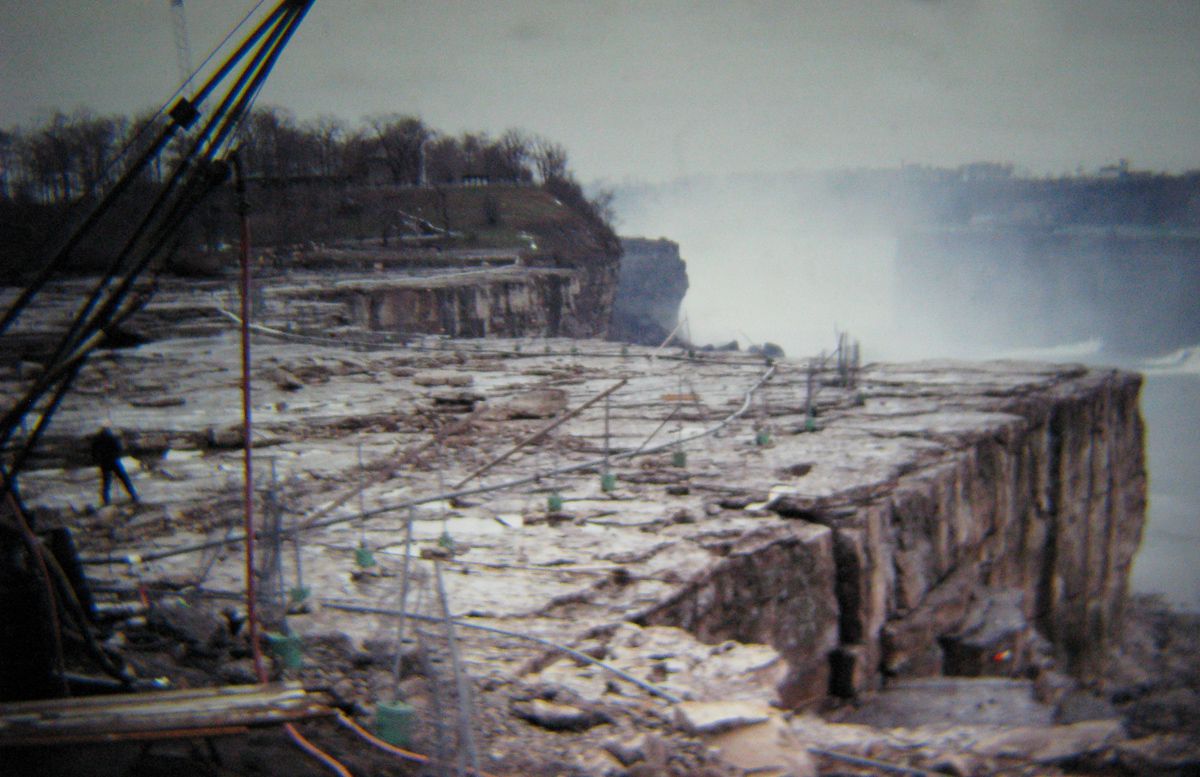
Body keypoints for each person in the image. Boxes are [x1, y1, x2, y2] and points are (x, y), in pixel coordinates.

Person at [90, 426, 138, 506]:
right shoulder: (112, 438)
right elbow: (118, 448)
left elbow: (94, 452)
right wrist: (116, 455)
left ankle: (105, 500)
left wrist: (97, 460)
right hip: (113, 461)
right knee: (123, 478)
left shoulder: (97, 440)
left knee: (106, 482)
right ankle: (133, 495)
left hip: (104, 462)